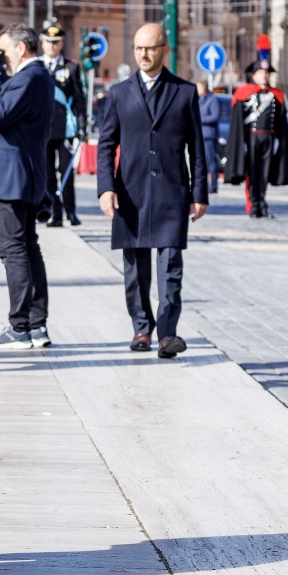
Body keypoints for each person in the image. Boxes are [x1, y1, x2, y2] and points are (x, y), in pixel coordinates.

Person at [97, 23, 208, 358]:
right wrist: (105, 188)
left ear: (165, 50)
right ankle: (142, 328)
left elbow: (198, 149)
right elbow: (105, 145)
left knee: (171, 267)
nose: (143, 54)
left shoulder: (185, 92)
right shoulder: (118, 93)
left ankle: (168, 333)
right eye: (138, 49)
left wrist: (200, 193)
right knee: (135, 269)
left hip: (173, 193)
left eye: (150, 48)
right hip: (129, 192)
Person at [0, 24, 54, 350]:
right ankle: (36, 325)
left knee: (13, 250)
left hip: (12, 180)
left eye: (5, 50)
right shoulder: (31, 77)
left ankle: (19, 326)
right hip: (20, 177)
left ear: (22, 48)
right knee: (27, 248)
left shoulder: (30, 77)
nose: (1, 56)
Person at [225, 60, 288, 218]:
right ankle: (253, 205)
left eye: (267, 73)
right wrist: (242, 142)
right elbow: (238, 120)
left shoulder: (276, 94)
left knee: (265, 173)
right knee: (253, 173)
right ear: (254, 75)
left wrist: (278, 140)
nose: (264, 76)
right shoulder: (244, 93)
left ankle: (262, 204)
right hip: (252, 137)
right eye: (261, 73)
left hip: (268, 137)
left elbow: (280, 121)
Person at [40, 25, 85, 227]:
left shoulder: (72, 67)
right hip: (42, 129)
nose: (52, 45)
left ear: (61, 44)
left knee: (66, 172)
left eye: (56, 42)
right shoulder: (37, 66)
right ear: (42, 43)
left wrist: (82, 123)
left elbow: (78, 98)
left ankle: (71, 212)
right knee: (48, 173)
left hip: (65, 127)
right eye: (48, 42)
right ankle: (54, 213)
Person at [197, 81, 221, 194]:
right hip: (200, 135)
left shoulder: (213, 99)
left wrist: (200, 119)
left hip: (209, 135)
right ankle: (203, 185)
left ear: (203, 89)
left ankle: (214, 185)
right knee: (202, 162)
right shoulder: (199, 100)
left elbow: (215, 116)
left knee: (211, 160)